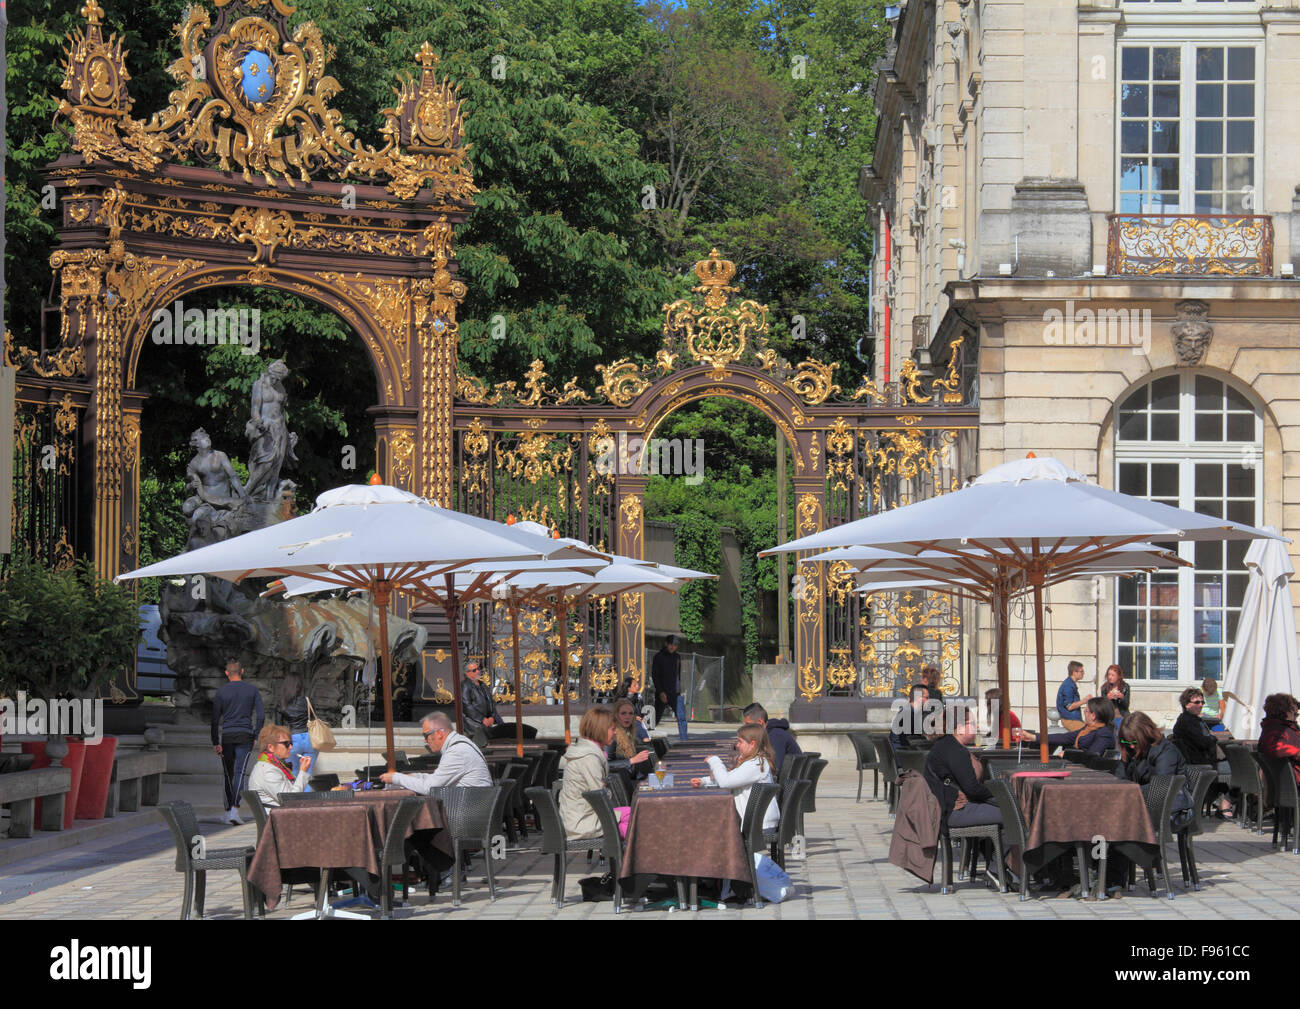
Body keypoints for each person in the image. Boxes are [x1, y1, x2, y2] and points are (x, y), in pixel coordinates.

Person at [691, 723, 781, 831]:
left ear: (752, 744)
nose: (737, 745)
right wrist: (704, 782)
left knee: (709, 826)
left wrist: (715, 761)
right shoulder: (755, 762)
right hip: (758, 821)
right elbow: (731, 778)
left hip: (760, 824)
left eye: (740, 742)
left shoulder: (755, 765)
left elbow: (725, 782)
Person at [923, 706, 1001, 828]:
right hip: (954, 811)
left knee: (1010, 812)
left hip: (946, 808)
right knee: (1012, 815)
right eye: (973, 724)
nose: (977, 727)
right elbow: (972, 789)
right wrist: (1001, 793)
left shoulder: (947, 744)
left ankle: (993, 846)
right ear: (959, 728)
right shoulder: (954, 750)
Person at [1115, 711, 1194, 827]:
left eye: (1134, 742)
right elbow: (1119, 779)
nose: (1131, 746)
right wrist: (1124, 758)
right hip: (1145, 803)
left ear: (1145, 735)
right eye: (1125, 742)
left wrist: (1129, 792)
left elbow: (1161, 786)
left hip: (1172, 808)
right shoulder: (1131, 750)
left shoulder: (1165, 751)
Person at [211, 658, 265, 825]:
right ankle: (235, 809)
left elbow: (214, 720)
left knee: (228, 773)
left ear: (227, 673)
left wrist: (215, 741)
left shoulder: (221, 692)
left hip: (227, 735)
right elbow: (261, 716)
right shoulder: (252, 690)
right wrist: (256, 735)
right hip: (245, 735)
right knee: (240, 773)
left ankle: (228, 813)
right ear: (242, 672)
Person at [380, 711, 493, 791]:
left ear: (439, 733)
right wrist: (415, 777)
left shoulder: (457, 752)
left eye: (426, 735)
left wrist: (396, 778)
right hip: (471, 809)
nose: (425, 740)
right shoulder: (459, 745)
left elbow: (430, 788)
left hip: (466, 817)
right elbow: (438, 779)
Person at [1171, 687, 1233, 817]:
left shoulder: (1189, 720)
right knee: (1240, 769)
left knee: (1235, 767)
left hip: (1201, 761)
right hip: (1200, 763)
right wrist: (1214, 738)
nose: (1200, 705)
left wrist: (1212, 737)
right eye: (1197, 702)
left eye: (1202, 702)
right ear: (1187, 704)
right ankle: (1226, 803)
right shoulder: (1189, 722)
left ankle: (1217, 799)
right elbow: (1204, 741)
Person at [559, 706, 616, 839]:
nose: (616, 733)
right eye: (613, 729)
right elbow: (600, 795)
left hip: (580, 817)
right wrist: (608, 791)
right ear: (601, 730)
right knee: (636, 820)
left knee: (634, 817)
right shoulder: (590, 758)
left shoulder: (586, 752)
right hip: (581, 823)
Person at [1022, 697, 1118, 755]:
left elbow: (1092, 756)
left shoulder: (1104, 734)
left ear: (1093, 716)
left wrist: (1068, 755)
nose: (1084, 713)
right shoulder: (1087, 729)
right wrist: (1034, 737)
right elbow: (1065, 737)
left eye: (1086, 711)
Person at [246, 724, 312, 807]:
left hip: (281, 814)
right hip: (279, 817)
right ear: (271, 747)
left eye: (291, 743)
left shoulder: (273, 765)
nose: (291, 747)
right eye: (286, 743)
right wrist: (303, 772)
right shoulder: (268, 770)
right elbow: (291, 800)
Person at [276, 673, 316, 792]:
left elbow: (279, 727)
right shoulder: (308, 701)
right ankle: (308, 807)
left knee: (292, 774)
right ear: (300, 686)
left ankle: (295, 806)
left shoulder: (282, 704)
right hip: (309, 738)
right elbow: (313, 720)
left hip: (292, 739)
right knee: (307, 774)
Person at [742, 702, 803, 773]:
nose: (746, 728)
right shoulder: (767, 734)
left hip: (785, 782)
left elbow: (774, 769)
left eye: (748, 724)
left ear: (760, 722)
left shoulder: (776, 735)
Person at [1258, 693, 1300, 786]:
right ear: (1286, 711)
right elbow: (1274, 747)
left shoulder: (1277, 728)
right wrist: (1296, 753)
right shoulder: (1276, 730)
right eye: (1295, 714)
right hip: (1292, 783)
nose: (1296, 718)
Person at [607, 698, 653, 780]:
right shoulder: (612, 734)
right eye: (623, 713)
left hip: (633, 777)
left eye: (630, 713)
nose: (627, 717)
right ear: (616, 715)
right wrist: (631, 761)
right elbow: (606, 764)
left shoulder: (630, 730)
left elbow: (646, 745)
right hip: (620, 782)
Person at [651, 635, 687, 741]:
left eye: (675, 645)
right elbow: (655, 675)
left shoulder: (677, 657)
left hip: (675, 693)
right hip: (662, 692)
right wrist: (661, 691)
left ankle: (684, 740)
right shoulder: (659, 656)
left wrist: (678, 689)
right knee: (656, 717)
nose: (673, 647)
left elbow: (677, 676)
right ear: (666, 643)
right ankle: (646, 737)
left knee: (681, 716)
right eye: (671, 644)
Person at [461, 660, 499, 734]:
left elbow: (491, 702)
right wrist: (482, 719)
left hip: (487, 723)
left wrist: (492, 717)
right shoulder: (465, 685)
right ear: (467, 673)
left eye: (478, 669)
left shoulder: (483, 685)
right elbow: (467, 706)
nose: (478, 671)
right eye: (474, 670)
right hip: (474, 724)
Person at [891, 685, 932, 751]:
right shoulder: (908, 714)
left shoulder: (909, 711)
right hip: (906, 755)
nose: (929, 700)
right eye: (927, 697)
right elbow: (913, 740)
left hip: (905, 752)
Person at [1056, 661, 1091, 732]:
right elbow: (1069, 706)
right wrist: (1084, 701)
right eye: (1081, 671)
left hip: (1073, 719)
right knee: (1087, 733)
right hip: (1070, 720)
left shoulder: (1070, 684)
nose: (1083, 673)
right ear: (1074, 672)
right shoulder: (1068, 686)